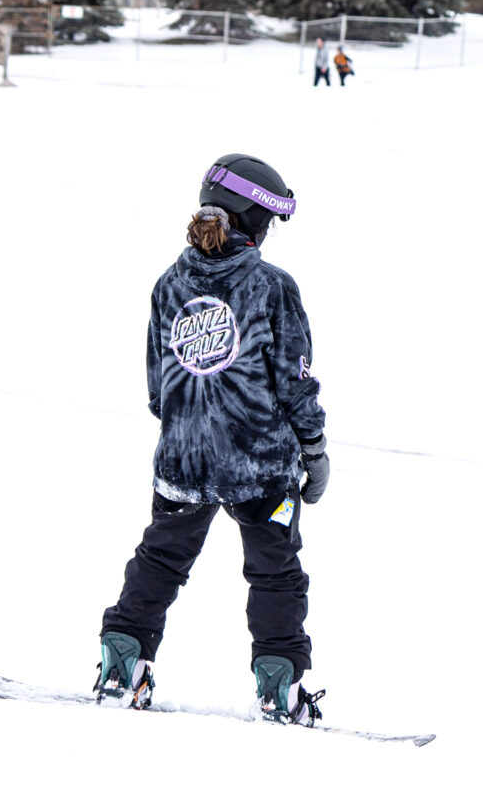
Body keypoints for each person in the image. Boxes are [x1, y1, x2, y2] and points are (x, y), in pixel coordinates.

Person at [96, 152, 331, 725]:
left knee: (160, 559)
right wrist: (315, 450)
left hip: (183, 460)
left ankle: (122, 664)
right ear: (252, 218)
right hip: (259, 466)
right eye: (269, 223)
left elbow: (159, 387)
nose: (269, 235)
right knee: (274, 572)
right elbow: (294, 381)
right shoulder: (272, 287)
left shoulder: (168, 284)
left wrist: (191, 423)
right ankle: (280, 687)